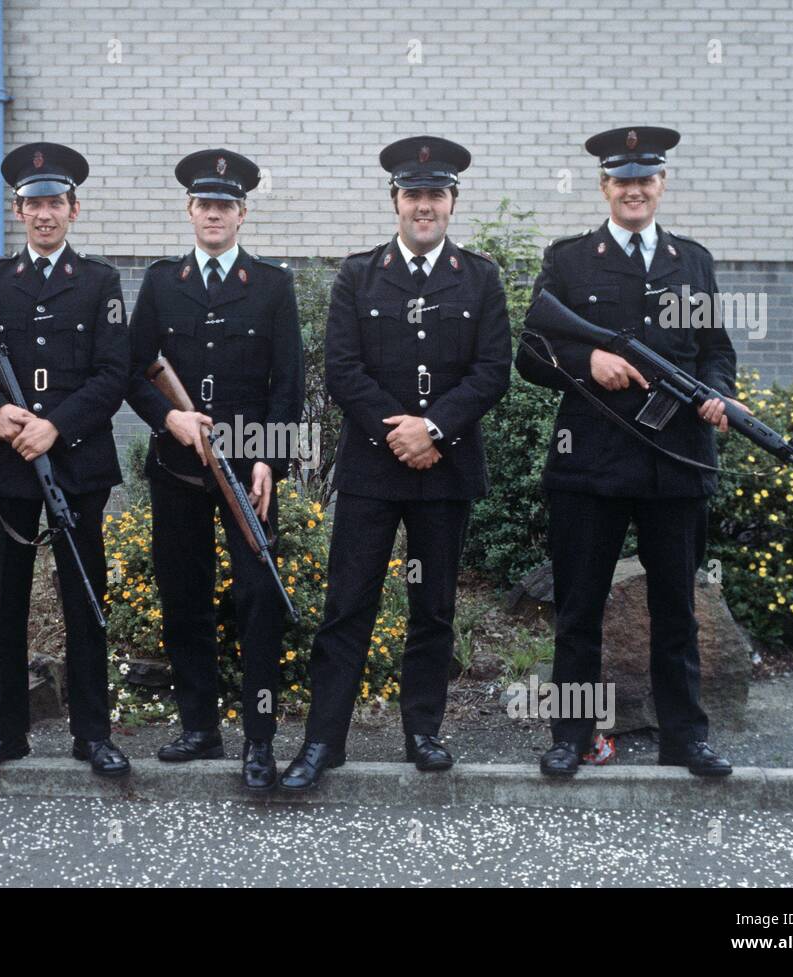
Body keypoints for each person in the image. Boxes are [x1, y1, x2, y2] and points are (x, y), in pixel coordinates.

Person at [280, 137, 511, 792]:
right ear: (395, 202)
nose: (424, 206)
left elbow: (492, 371)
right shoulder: (359, 275)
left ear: (452, 202)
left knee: (433, 607)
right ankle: (324, 740)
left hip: (446, 466)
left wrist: (433, 427)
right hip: (373, 472)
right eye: (413, 195)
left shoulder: (481, 277)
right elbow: (345, 369)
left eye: (435, 195)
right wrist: (401, 434)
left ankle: (423, 732)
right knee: (347, 605)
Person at [514, 126, 742, 777]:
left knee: (676, 610)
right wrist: (588, 360)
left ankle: (685, 737)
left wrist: (718, 395)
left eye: (646, 179)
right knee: (579, 610)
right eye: (623, 179)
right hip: (590, 465)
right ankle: (573, 737)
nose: (634, 189)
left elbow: (716, 352)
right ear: (604, 186)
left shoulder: (691, 261)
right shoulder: (569, 260)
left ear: (662, 184)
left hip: (676, 464)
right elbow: (531, 353)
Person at [0, 143, 131, 776]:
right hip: (6, 467)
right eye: (32, 204)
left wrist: (54, 428)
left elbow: (113, 374)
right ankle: (5, 734)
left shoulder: (100, 281)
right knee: (6, 601)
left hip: (74, 463)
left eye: (55, 203)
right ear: (18, 211)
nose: (44, 215)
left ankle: (93, 734)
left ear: (74, 209)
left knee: (84, 596)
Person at [125, 149, 303, 792]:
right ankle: (200, 727)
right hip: (178, 466)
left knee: (257, 600)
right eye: (205, 205)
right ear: (191, 211)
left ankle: (259, 739)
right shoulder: (161, 281)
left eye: (225, 206)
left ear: (242, 214)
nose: (214, 215)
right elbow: (131, 365)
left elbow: (290, 381)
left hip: (245, 469)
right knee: (183, 596)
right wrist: (166, 418)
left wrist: (268, 459)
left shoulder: (273, 284)